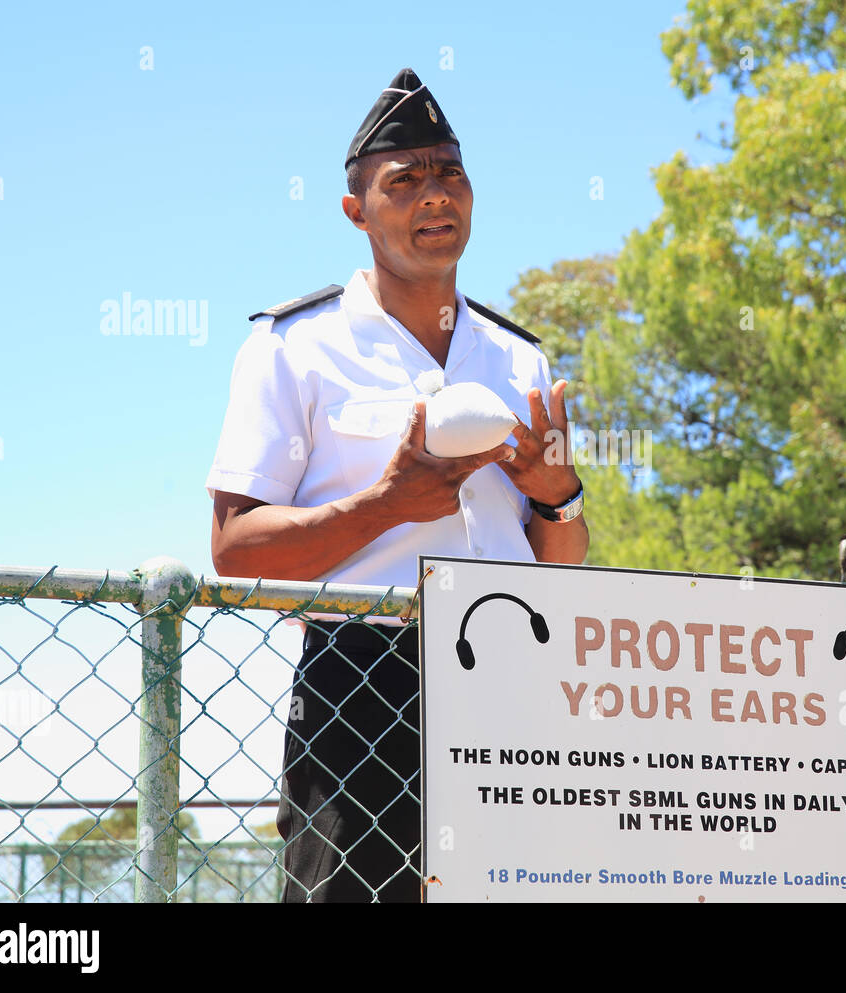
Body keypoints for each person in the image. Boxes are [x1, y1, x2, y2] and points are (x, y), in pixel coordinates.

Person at [205, 68, 588, 902]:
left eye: (449, 174)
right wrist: (385, 508)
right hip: (364, 682)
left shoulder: (519, 358)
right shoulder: (293, 346)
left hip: (512, 673)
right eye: (404, 181)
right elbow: (232, 547)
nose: (433, 197)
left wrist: (559, 496)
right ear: (356, 211)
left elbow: (560, 563)